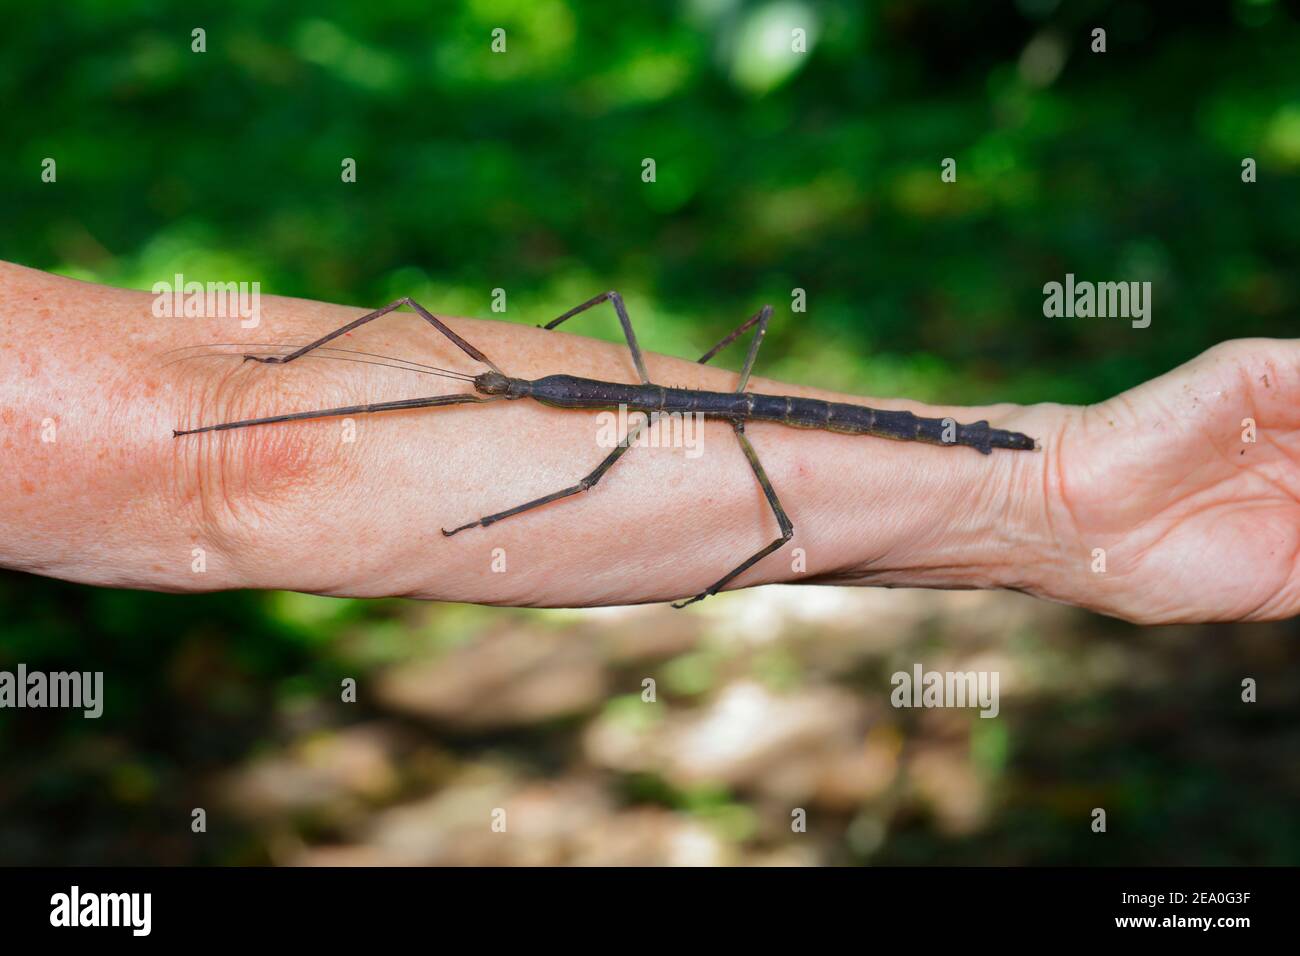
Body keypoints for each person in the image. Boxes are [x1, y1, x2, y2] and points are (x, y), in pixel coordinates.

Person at [1, 259, 1295, 623]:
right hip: (1036, 482)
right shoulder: (562, 385)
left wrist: (1059, 490)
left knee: (636, 456)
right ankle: (1035, 491)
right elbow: (243, 454)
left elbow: (240, 453)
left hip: (848, 431)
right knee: (451, 367)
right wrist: (1061, 502)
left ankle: (1025, 483)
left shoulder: (617, 421)